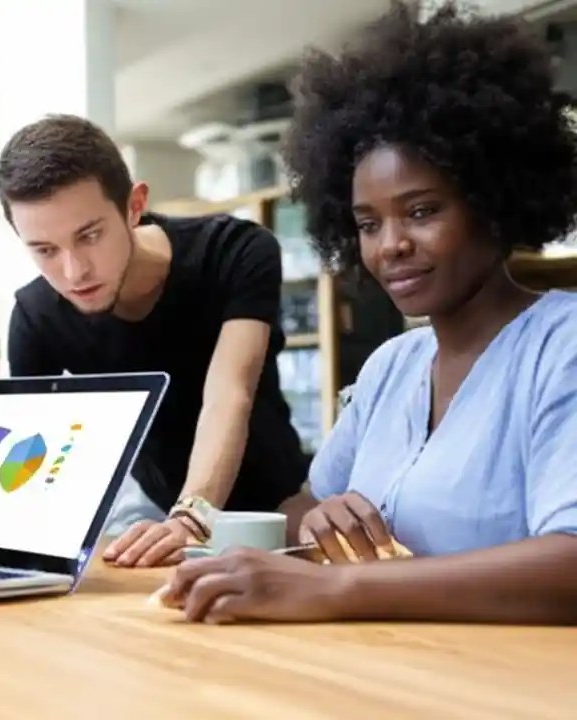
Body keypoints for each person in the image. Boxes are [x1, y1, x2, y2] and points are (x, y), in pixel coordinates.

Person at [163, 1, 577, 625]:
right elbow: (304, 503)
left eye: (421, 211)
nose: (391, 245)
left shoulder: (562, 347)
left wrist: (337, 589)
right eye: (367, 222)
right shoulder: (392, 367)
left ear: (496, 201)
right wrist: (322, 518)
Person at [0, 114, 307, 568]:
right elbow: (32, 458)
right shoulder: (35, 315)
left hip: (276, 516)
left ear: (134, 205)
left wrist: (192, 519)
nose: (73, 271)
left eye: (90, 235)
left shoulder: (233, 252)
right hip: (162, 526)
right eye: (45, 249)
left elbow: (228, 396)